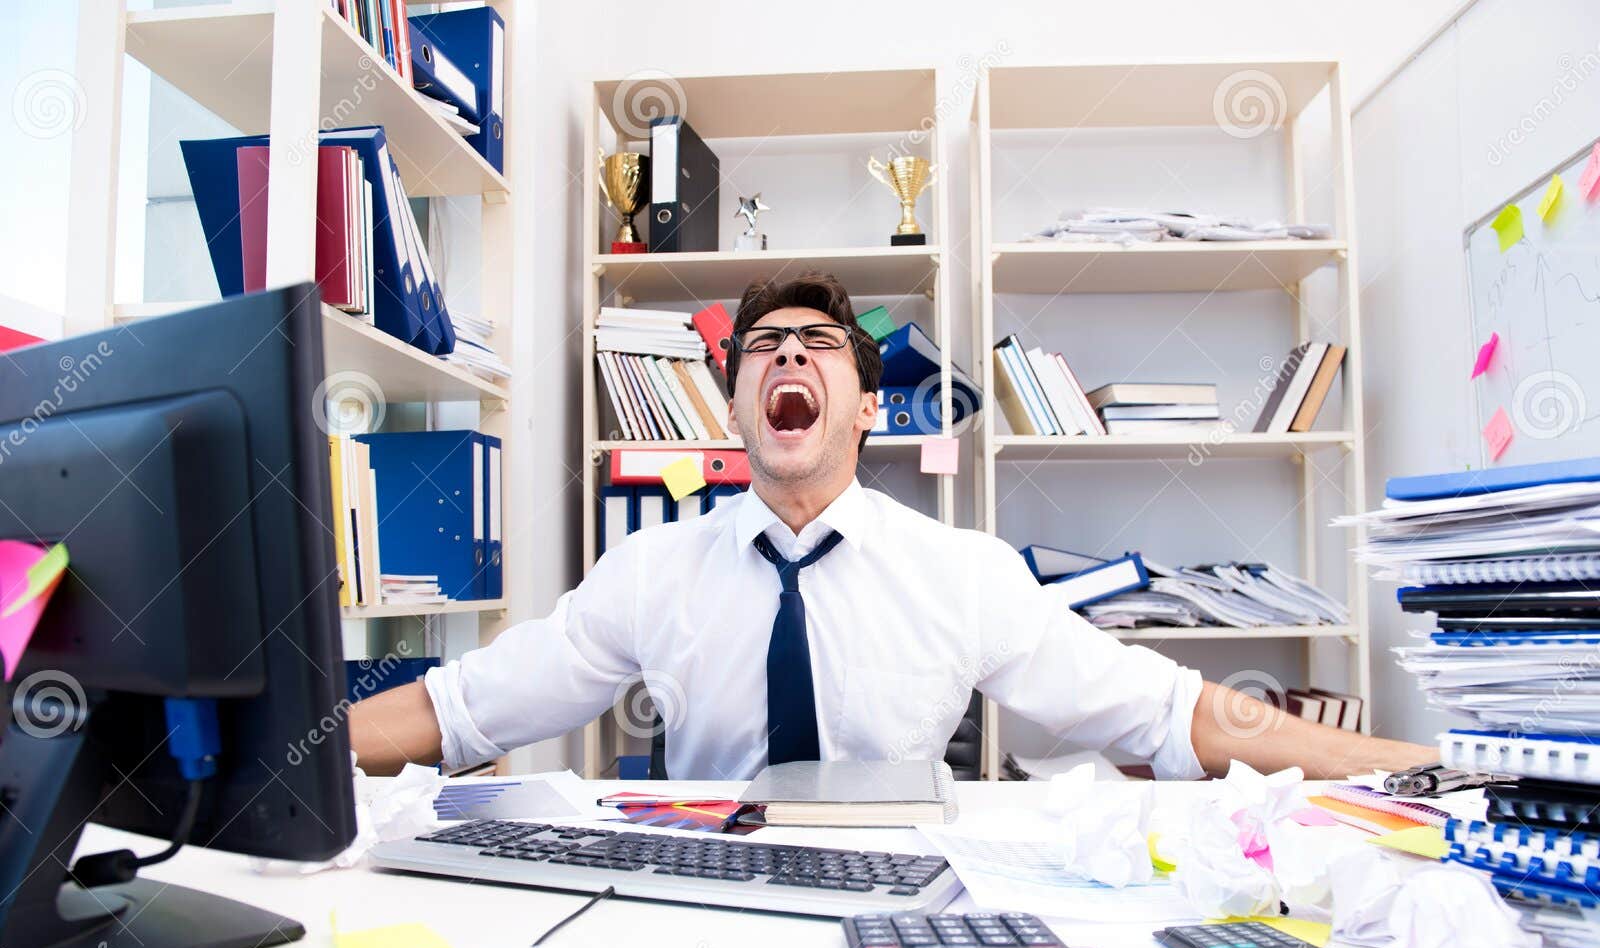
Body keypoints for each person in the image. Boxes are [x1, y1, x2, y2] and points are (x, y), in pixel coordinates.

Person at [353, 271, 1436, 781]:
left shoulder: (961, 573)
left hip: (896, 894)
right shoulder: (649, 571)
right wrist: (275, 758)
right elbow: (466, 710)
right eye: (763, 348)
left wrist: (1405, 767)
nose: (785, 357)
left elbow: (1161, 710)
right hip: (701, 898)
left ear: (866, 407)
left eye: (817, 346)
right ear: (735, 408)